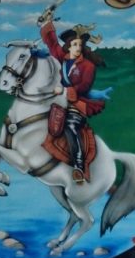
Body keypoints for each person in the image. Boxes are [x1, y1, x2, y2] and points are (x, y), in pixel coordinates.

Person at [39, 15, 106, 184]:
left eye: (80, 45)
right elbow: (52, 43)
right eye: (75, 44)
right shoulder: (62, 58)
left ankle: (79, 166)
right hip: (58, 102)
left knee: (70, 125)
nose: (78, 47)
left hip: (77, 104)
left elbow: (84, 87)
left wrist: (64, 90)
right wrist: (47, 23)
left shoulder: (88, 66)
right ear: (68, 46)